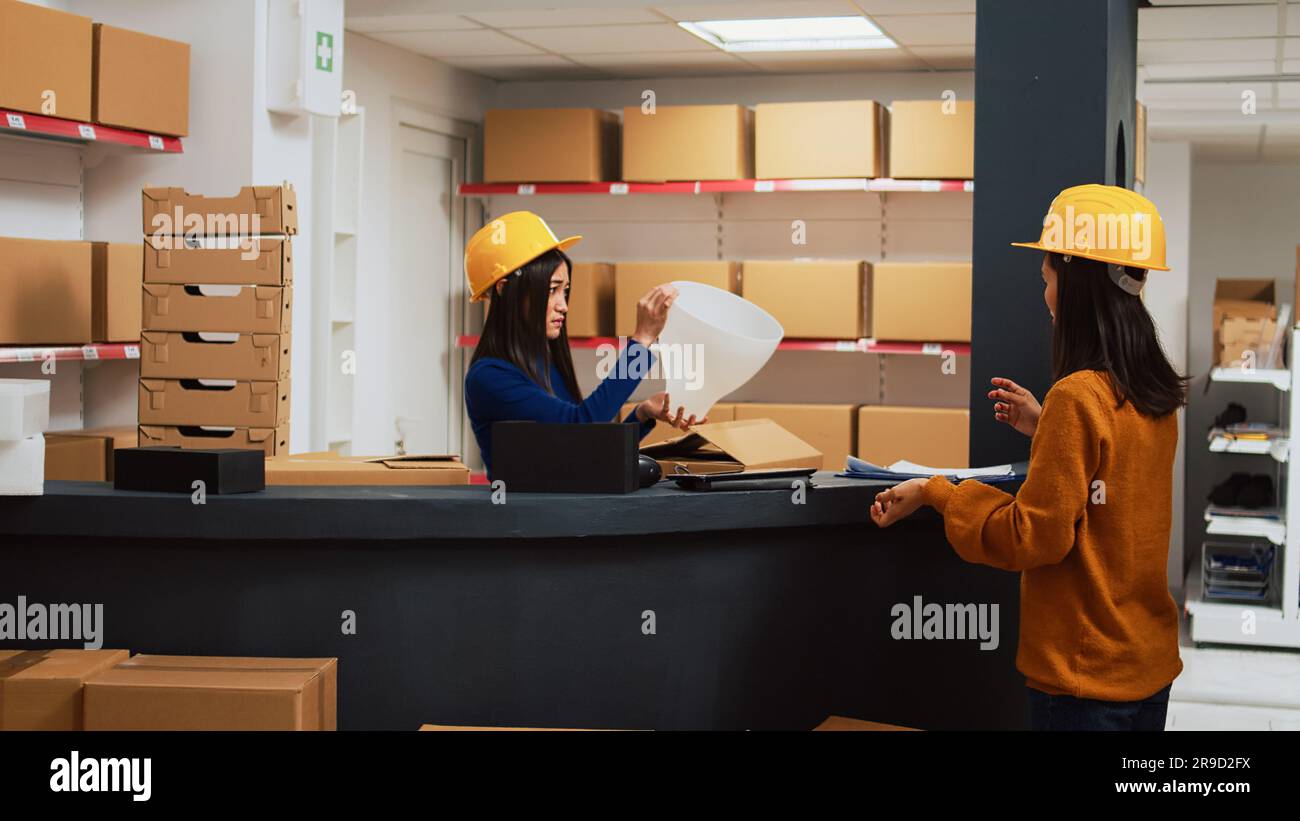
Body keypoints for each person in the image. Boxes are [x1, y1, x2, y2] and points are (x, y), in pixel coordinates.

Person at [870, 184, 1187, 731]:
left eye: (1048, 279)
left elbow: (1031, 536)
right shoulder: (1152, 392)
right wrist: (1048, 428)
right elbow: (1115, 487)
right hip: (1146, 666)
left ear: (1077, 279)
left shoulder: (1078, 395)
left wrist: (935, 490)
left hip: (1083, 679)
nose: (1046, 297)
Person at [463, 211, 703, 477]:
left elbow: (588, 451)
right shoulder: (490, 377)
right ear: (505, 289)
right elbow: (581, 428)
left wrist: (642, 414)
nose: (563, 306)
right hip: (526, 516)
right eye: (551, 290)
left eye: (564, 291)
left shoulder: (543, 363)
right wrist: (641, 341)